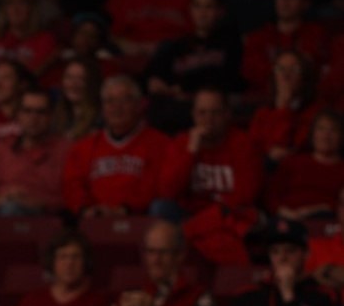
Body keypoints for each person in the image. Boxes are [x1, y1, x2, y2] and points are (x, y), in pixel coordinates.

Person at [63, 76, 172, 217]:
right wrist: (86, 209)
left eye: (125, 100)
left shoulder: (160, 143)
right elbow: (72, 185)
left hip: (141, 220)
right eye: (110, 101)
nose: (117, 107)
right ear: (102, 107)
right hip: (94, 219)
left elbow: (158, 186)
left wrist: (125, 209)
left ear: (138, 104)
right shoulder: (84, 147)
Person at [144, 0, 243, 133]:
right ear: (190, 10)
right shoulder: (176, 46)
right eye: (197, 6)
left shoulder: (231, 44)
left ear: (220, 11)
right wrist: (155, 80)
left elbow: (226, 76)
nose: (202, 13)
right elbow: (153, 72)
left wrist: (183, 86)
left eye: (209, 7)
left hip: (213, 109)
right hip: (177, 110)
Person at [156, 88, 261, 220]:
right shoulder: (182, 143)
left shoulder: (243, 143)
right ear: (193, 115)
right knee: (160, 207)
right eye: (202, 113)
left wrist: (211, 217)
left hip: (227, 214)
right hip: (190, 213)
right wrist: (191, 152)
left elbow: (247, 196)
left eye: (215, 112)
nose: (208, 119)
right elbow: (168, 192)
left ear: (227, 114)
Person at [220, 219, 337, 306]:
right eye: (275, 252)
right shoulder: (247, 295)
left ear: (306, 253)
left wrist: (288, 293)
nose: (282, 257)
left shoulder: (320, 296)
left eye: (290, 250)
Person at [0, 88, 70, 216]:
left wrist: (42, 202)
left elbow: (74, 197)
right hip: (1, 216)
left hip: (49, 220)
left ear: (50, 116)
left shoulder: (65, 150)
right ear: (18, 115)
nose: (33, 118)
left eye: (40, 112)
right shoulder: (2, 149)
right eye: (27, 111)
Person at [102, 221, 216, 306]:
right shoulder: (129, 295)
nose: (156, 260)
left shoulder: (198, 297)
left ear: (179, 255)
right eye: (151, 251)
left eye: (163, 252)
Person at [9, 231, 111, 306]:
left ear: (85, 262)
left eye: (76, 257)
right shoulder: (32, 300)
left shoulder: (97, 303)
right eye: (63, 256)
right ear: (52, 262)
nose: (69, 263)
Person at [241, 0, 326, 95]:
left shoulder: (318, 34)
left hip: (308, 99)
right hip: (266, 100)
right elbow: (251, 72)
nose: (285, 2)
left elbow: (320, 71)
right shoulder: (258, 37)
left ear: (305, 3)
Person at [265, 110, 344, 221]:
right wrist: (287, 213)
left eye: (333, 130)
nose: (326, 135)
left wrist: (315, 210)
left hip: (327, 222)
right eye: (321, 129)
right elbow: (271, 196)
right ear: (313, 134)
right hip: (288, 219)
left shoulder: (341, 169)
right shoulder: (293, 162)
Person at [248, 50, 321, 162]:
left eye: (294, 70)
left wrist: (284, 108)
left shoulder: (315, 112)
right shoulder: (262, 113)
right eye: (280, 69)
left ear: (304, 77)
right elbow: (252, 148)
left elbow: (292, 147)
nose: (285, 75)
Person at [0, 0, 58, 75]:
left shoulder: (45, 40)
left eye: (22, 2)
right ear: (4, 10)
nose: (16, 8)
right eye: (10, 3)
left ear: (31, 8)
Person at [52, 57, 104, 141]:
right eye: (69, 77)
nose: (73, 84)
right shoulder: (56, 115)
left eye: (81, 78)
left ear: (92, 83)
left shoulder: (101, 118)